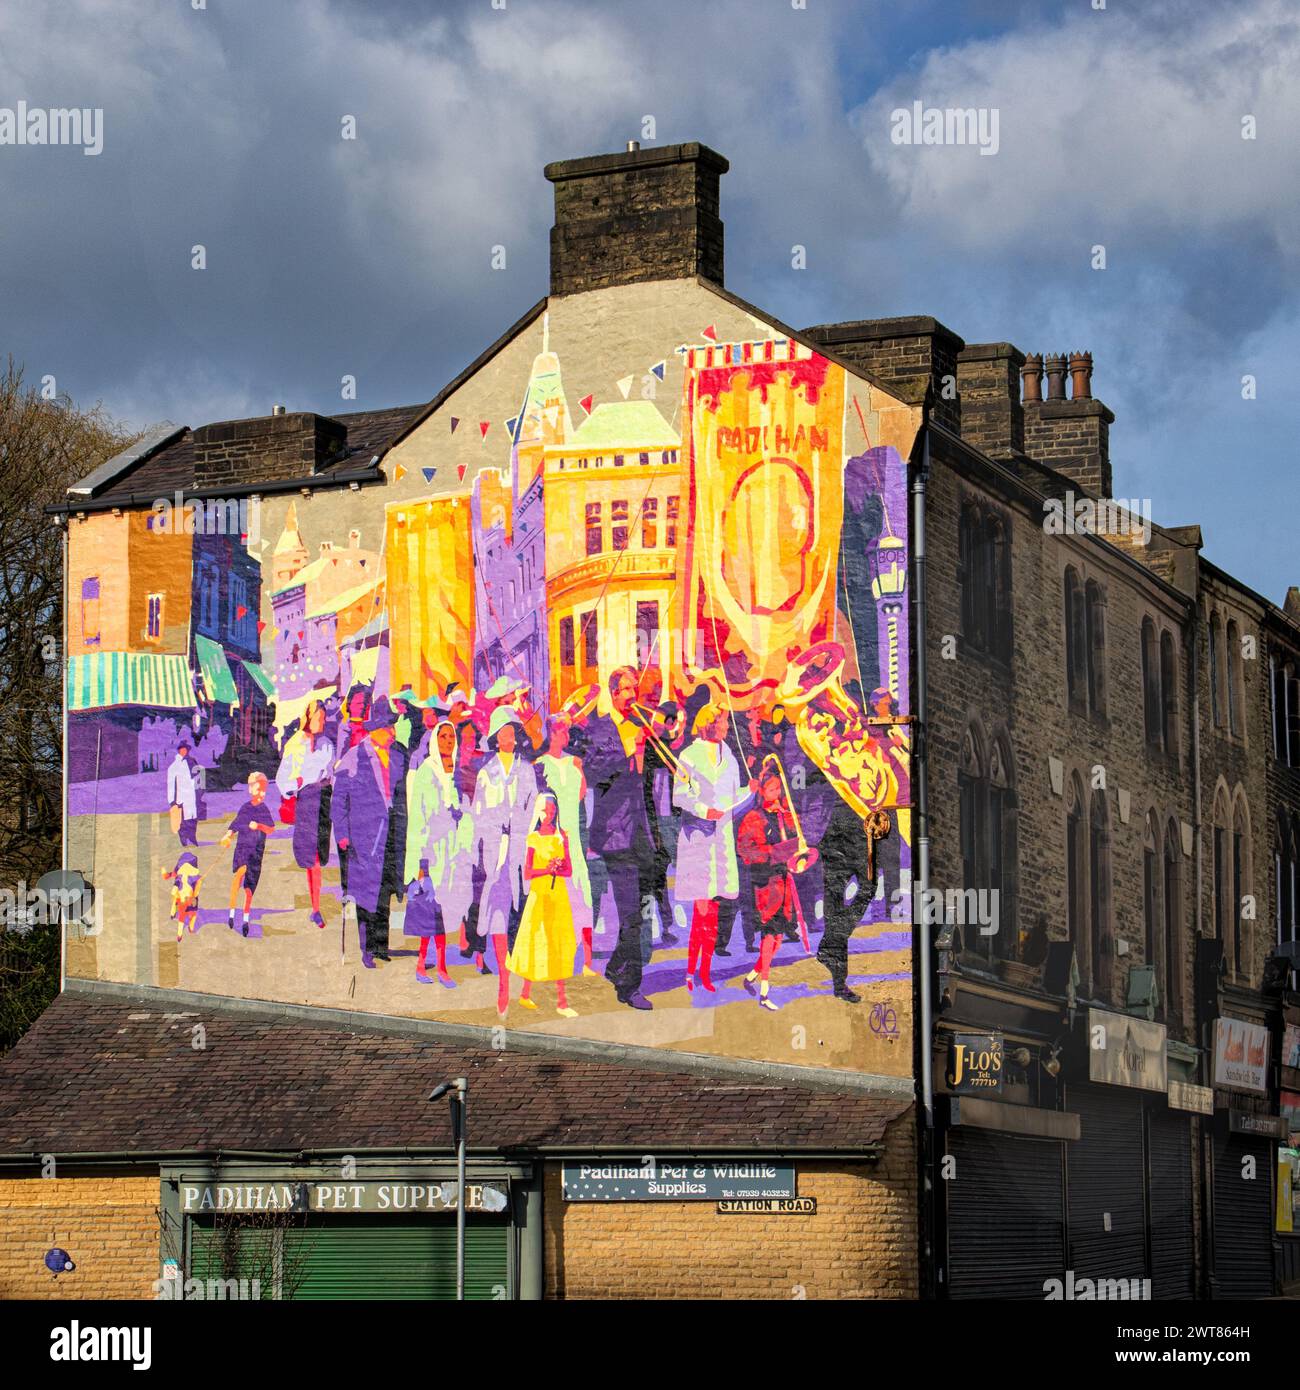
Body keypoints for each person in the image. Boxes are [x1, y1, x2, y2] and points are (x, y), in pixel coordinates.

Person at [583, 666, 656, 1010]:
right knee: (633, 916)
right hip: (615, 835)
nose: (631, 695)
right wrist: (627, 747)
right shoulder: (601, 728)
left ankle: (615, 966)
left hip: (638, 832)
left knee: (638, 911)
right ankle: (630, 987)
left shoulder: (635, 727)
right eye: (625, 689)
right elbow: (594, 772)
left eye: (634, 690)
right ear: (613, 692)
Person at [673, 703, 757, 993]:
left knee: (715, 910)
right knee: (702, 909)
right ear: (709, 723)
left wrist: (751, 790)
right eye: (722, 721)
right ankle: (689, 972)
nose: (726, 726)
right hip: (698, 840)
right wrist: (702, 809)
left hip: (721, 841)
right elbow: (680, 794)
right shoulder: (688, 756)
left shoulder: (729, 756)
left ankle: (705, 972)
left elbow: (734, 797)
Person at [331, 697, 409, 968]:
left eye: (393, 727)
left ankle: (381, 946)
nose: (393, 732)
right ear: (375, 729)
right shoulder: (355, 756)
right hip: (363, 837)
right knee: (366, 894)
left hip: (391, 834)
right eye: (388, 727)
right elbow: (338, 799)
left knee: (386, 889)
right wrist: (342, 833)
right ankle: (366, 949)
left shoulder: (399, 754)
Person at [471, 707, 537, 1015]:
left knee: (520, 916)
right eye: (504, 732)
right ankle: (503, 982)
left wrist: (525, 832)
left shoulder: (526, 770)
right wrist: (479, 853)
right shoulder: (487, 773)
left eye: (513, 731)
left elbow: (534, 808)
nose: (510, 736)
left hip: (520, 852)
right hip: (496, 852)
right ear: (496, 739)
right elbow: (478, 815)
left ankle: (523, 982)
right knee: (497, 912)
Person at [403, 718, 472, 986]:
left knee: (443, 912)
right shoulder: (426, 772)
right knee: (427, 911)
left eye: (451, 738)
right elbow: (419, 816)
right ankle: (422, 964)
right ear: (434, 740)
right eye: (443, 737)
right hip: (430, 853)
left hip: (450, 854)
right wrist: (421, 860)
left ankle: (442, 966)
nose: (448, 742)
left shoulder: (453, 772)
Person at [505, 793, 579, 1017]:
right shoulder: (533, 838)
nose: (549, 814)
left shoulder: (561, 836)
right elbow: (527, 873)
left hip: (558, 897)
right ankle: (526, 994)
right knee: (536, 942)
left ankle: (562, 1001)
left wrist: (558, 867)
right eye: (545, 810)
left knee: (558, 943)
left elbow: (569, 870)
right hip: (539, 896)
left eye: (552, 810)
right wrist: (548, 869)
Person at [736, 767, 803, 1010]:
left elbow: (796, 837)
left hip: (782, 880)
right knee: (768, 936)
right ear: (762, 791)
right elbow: (745, 849)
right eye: (772, 789)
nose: (776, 793)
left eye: (778, 789)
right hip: (764, 883)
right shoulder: (753, 817)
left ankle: (752, 976)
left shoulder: (783, 813)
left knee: (777, 940)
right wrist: (771, 853)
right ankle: (764, 992)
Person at [535, 714, 595, 974]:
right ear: (551, 733)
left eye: (567, 732)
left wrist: (579, 770)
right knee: (555, 895)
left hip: (573, 833)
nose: (566, 737)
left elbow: (581, 795)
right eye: (561, 731)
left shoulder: (574, 762)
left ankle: (587, 961)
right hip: (553, 835)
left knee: (582, 893)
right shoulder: (540, 763)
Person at [274, 697, 334, 928]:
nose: (323, 720)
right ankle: (316, 909)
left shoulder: (327, 744)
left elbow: (330, 770)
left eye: (324, 717)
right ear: (308, 717)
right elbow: (282, 780)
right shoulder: (295, 744)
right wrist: (299, 780)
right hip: (306, 801)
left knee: (318, 857)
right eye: (319, 717)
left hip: (324, 799)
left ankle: (315, 905)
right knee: (313, 859)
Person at [641, 701, 684, 947]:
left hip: (665, 820)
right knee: (653, 877)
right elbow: (650, 791)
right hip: (653, 820)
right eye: (672, 723)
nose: (672, 728)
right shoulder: (653, 747)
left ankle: (664, 925)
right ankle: (657, 926)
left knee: (659, 876)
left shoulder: (667, 748)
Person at [220, 771, 276, 936]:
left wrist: (258, 826)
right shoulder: (245, 807)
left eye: (262, 789)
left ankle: (245, 918)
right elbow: (236, 823)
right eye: (255, 788)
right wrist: (228, 834)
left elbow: (271, 828)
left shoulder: (264, 809)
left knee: (249, 889)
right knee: (238, 877)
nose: (260, 792)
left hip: (256, 852)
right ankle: (231, 913)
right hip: (243, 849)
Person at [161, 851, 203, 940]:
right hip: (192, 900)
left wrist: (166, 876)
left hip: (182, 898)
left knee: (181, 916)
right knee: (193, 915)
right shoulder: (197, 878)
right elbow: (197, 891)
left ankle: (179, 933)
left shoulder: (179, 876)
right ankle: (190, 928)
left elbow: (174, 885)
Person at [166, 739, 200, 847]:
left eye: (186, 750)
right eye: (182, 750)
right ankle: (183, 839)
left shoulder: (192, 761)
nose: (184, 752)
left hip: (192, 796)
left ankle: (192, 838)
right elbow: (171, 784)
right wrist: (172, 800)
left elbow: (198, 777)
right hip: (180, 798)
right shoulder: (174, 766)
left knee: (192, 819)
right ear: (179, 751)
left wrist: (199, 791)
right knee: (182, 821)